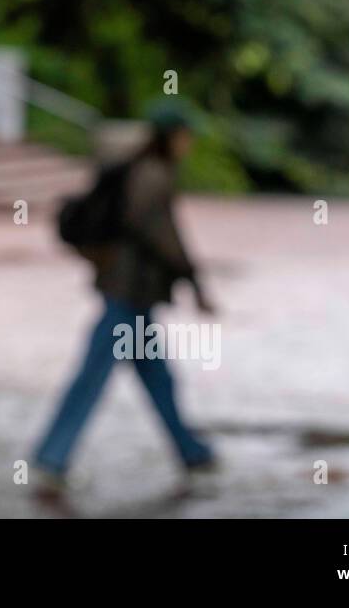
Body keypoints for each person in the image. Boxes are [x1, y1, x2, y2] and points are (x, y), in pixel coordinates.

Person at [33, 100, 215, 499]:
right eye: (185, 136)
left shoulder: (141, 170)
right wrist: (194, 280)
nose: (189, 143)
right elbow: (162, 236)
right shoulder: (152, 174)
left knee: (158, 378)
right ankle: (52, 458)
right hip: (126, 295)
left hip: (135, 297)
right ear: (171, 137)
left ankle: (191, 451)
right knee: (93, 377)